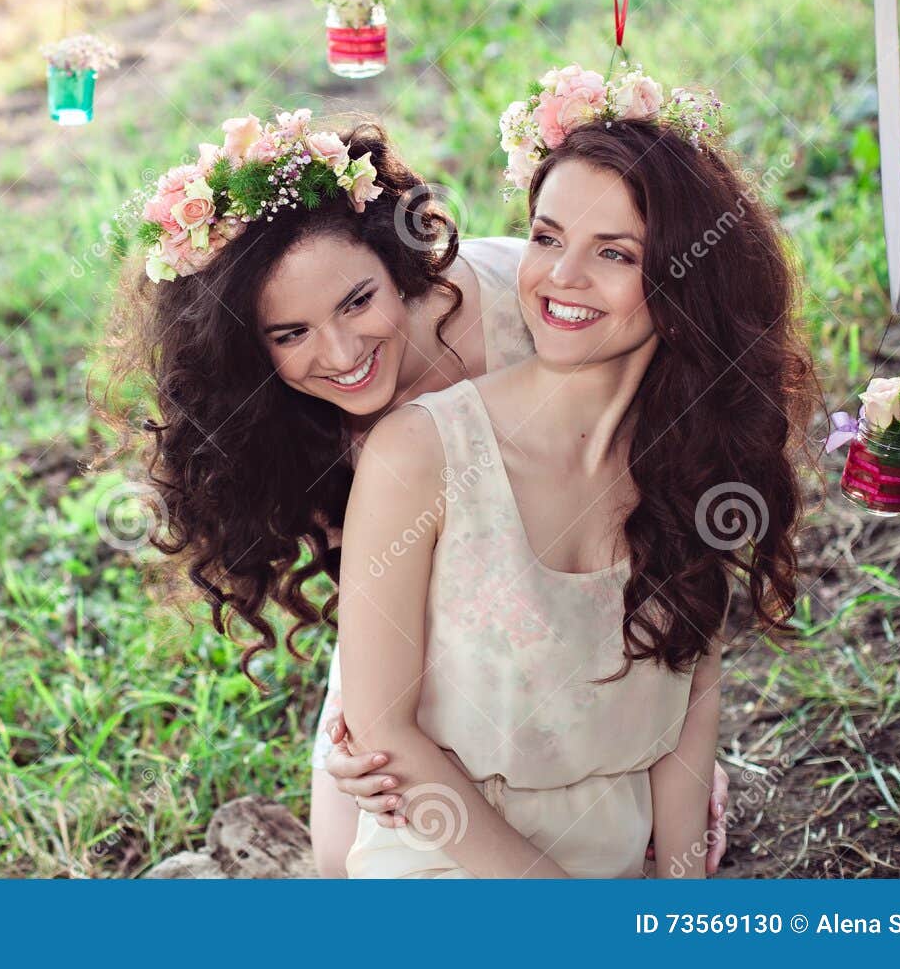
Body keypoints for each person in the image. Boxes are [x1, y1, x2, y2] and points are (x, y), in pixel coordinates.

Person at [99, 103, 734, 876]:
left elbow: (662, 457)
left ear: (399, 265)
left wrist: (653, 734)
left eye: (357, 301)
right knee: (345, 853)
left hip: (582, 606)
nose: (341, 353)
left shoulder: (531, 303)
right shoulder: (282, 418)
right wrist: (375, 727)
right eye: (290, 333)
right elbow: (389, 618)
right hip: (435, 618)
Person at [334, 66, 819, 876]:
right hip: (446, 862)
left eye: (614, 253)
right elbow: (385, 733)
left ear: (686, 281)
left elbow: (689, 707)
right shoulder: (420, 453)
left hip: (614, 860)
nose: (562, 276)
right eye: (548, 237)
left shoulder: (697, 455)